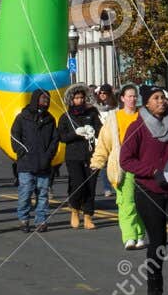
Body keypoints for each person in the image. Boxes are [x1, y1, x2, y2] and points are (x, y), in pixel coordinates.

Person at [119, 84, 168, 295]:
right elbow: (126, 160)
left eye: (163, 97)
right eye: (155, 98)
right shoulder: (137, 128)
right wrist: (152, 172)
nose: (161, 101)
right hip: (149, 190)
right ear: (147, 103)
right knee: (158, 241)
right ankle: (154, 289)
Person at [91, 84, 145, 250]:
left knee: (142, 203)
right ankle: (129, 236)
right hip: (122, 165)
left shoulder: (143, 116)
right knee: (126, 202)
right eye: (129, 96)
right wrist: (98, 161)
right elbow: (104, 141)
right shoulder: (114, 117)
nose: (132, 99)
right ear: (122, 98)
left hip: (142, 165)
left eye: (134, 96)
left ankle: (140, 234)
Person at [11, 89, 59, 233]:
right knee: (25, 192)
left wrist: (48, 155)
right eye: (43, 98)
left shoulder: (50, 120)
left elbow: (54, 140)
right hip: (26, 163)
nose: (46, 101)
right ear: (35, 99)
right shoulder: (22, 117)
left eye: (47, 99)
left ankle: (41, 220)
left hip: (44, 164)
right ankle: (23, 219)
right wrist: (22, 152)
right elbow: (14, 136)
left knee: (43, 194)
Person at [58, 85, 102, 229]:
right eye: (76, 98)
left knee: (91, 186)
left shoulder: (92, 113)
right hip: (73, 156)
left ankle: (88, 215)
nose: (80, 100)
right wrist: (75, 134)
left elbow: (101, 131)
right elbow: (62, 137)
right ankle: (75, 209)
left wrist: (93, 131)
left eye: (81, 97)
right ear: (71, 99)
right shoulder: (65, 117)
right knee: (77, 184)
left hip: (91, 155)